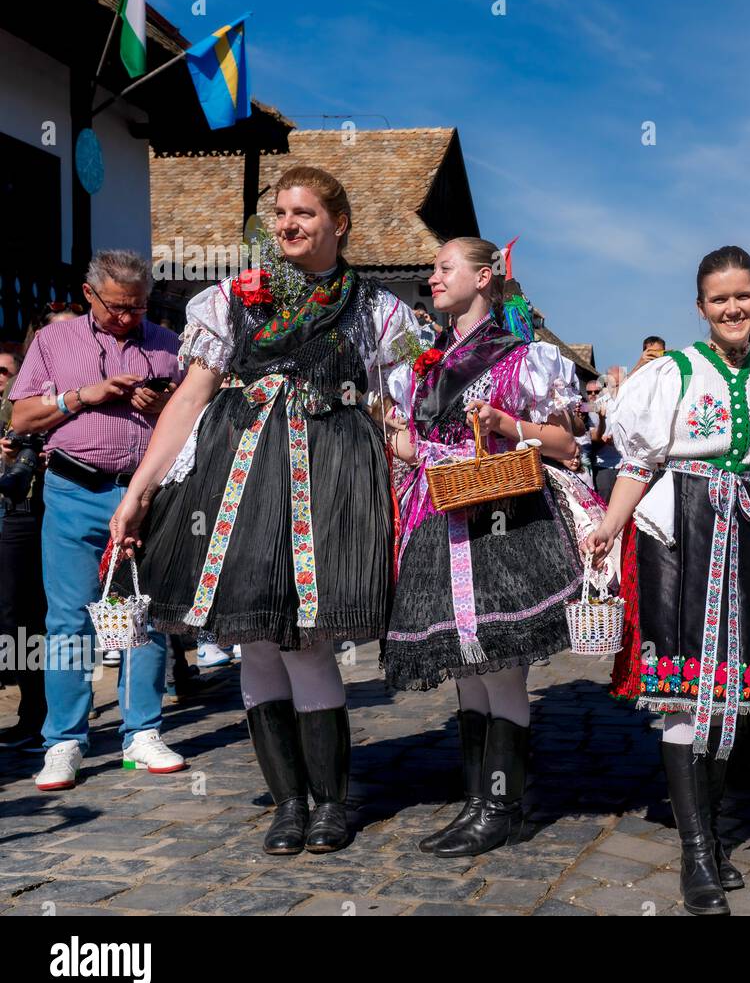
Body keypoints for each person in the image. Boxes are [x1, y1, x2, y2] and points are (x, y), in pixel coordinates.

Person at [110, 166, 417, 855]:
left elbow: (395, 407)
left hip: (333, 471)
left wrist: (413, 474)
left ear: (340, 224)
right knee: (252, 635)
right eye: (280, 213)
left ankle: (331, 804)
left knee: (307, 638)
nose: (288, 225)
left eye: (304, 213)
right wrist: (140, 490)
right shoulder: (230, 301)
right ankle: (288, 804)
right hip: (242, 472)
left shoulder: (377, 308)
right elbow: (190, 400)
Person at [583, 246, 750, 916]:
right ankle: (696, 852)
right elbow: (637, 460)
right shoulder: (673, 374)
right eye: (719, 299)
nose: (733, 308)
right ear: (701, 308)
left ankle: (710, 835)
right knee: (686, 691)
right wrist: (607, 525)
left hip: (748, 531)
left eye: (743, 296)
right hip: (679, 530)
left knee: (735, 692)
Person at [384, 237, 591, 859]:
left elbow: (567, 445)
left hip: (505, 519)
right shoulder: (422, 363)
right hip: (438, 516)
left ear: (485, 277)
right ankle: (479, 802)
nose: (433, 277)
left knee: (501, 668)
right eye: (434, 268)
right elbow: (420, 445)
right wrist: (401, 441)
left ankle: (502, 807)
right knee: (466, 669)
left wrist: (508, 426)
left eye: (446, 268)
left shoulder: (523, 358)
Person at [7, 252, 184, 788]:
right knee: (68, 621)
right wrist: (84, 396)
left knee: (142, 615)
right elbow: (22, 417)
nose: (130, 318)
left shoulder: (169, 344)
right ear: (90, 295)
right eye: (118, 308)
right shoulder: (53, 343)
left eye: (139, 307)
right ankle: (64, 740)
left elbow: (195, 415)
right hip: (73, 490)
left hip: (145, 493)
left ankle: (142, 734)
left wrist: (160, 407)